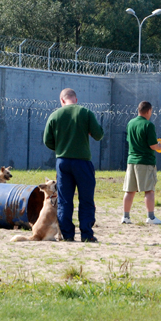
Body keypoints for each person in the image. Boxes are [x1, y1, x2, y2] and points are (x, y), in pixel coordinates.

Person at [43, 88, 105, 242]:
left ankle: (67, 235)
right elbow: (99, 135)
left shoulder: (55, 115)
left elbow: (47, 140)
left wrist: (60, 147)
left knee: (65, 199)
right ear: (75, 99)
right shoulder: (85, 113)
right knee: (86, 199)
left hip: (63, 161)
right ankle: (86, 234)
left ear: (62, 100)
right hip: (83, 161)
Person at [122, 101, 161, 225]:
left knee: (129, 191)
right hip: (145, 161)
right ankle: (151, 217)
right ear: (149, 111)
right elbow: (153, 145)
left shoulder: (130, 123)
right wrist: (160, 145)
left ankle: (125, 217)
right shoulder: (148, 125)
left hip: (131, 161)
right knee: (149, 190)